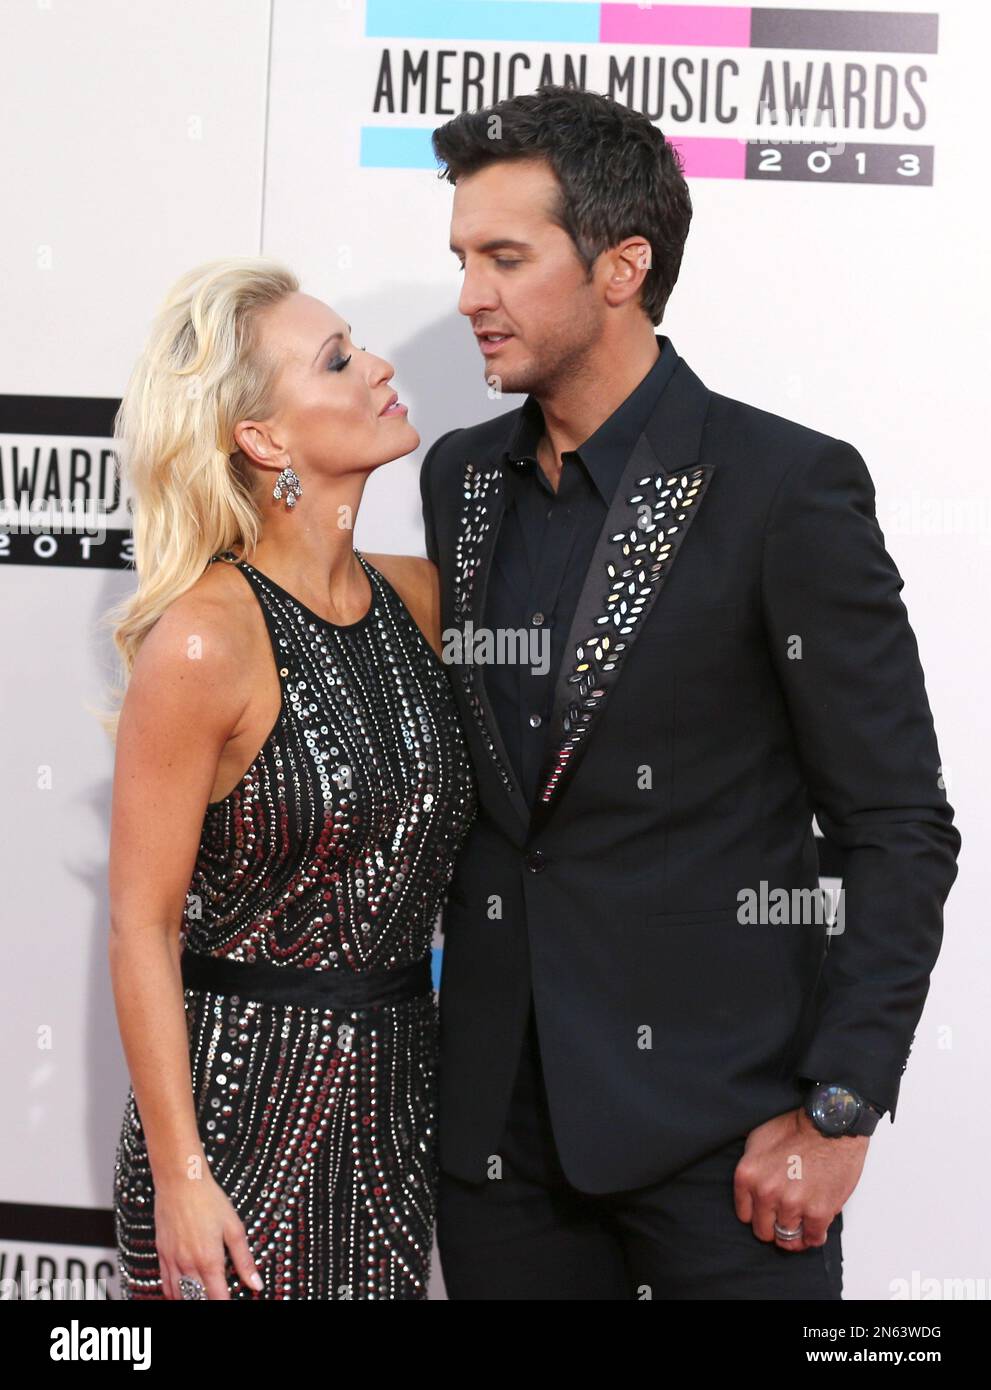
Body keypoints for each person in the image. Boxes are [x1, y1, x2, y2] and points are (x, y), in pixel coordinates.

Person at [419, 85, 961, 1300]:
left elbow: (897, 825)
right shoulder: (462, 479)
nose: (469, 297)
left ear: (622, 267)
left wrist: (840, 1108)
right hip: (497, 1144)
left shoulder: (781, 488)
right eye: (461, 258)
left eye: (505, 257)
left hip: (724, 1146)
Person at [106, 258, 476, 1300]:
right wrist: (181, 1177)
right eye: (337, 359)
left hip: (394, 1114)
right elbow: (141, 925)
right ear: (263, 441)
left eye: (357, 343)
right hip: (232, 1126)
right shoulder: (203, 642)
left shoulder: (423, 599)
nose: (379, 365)